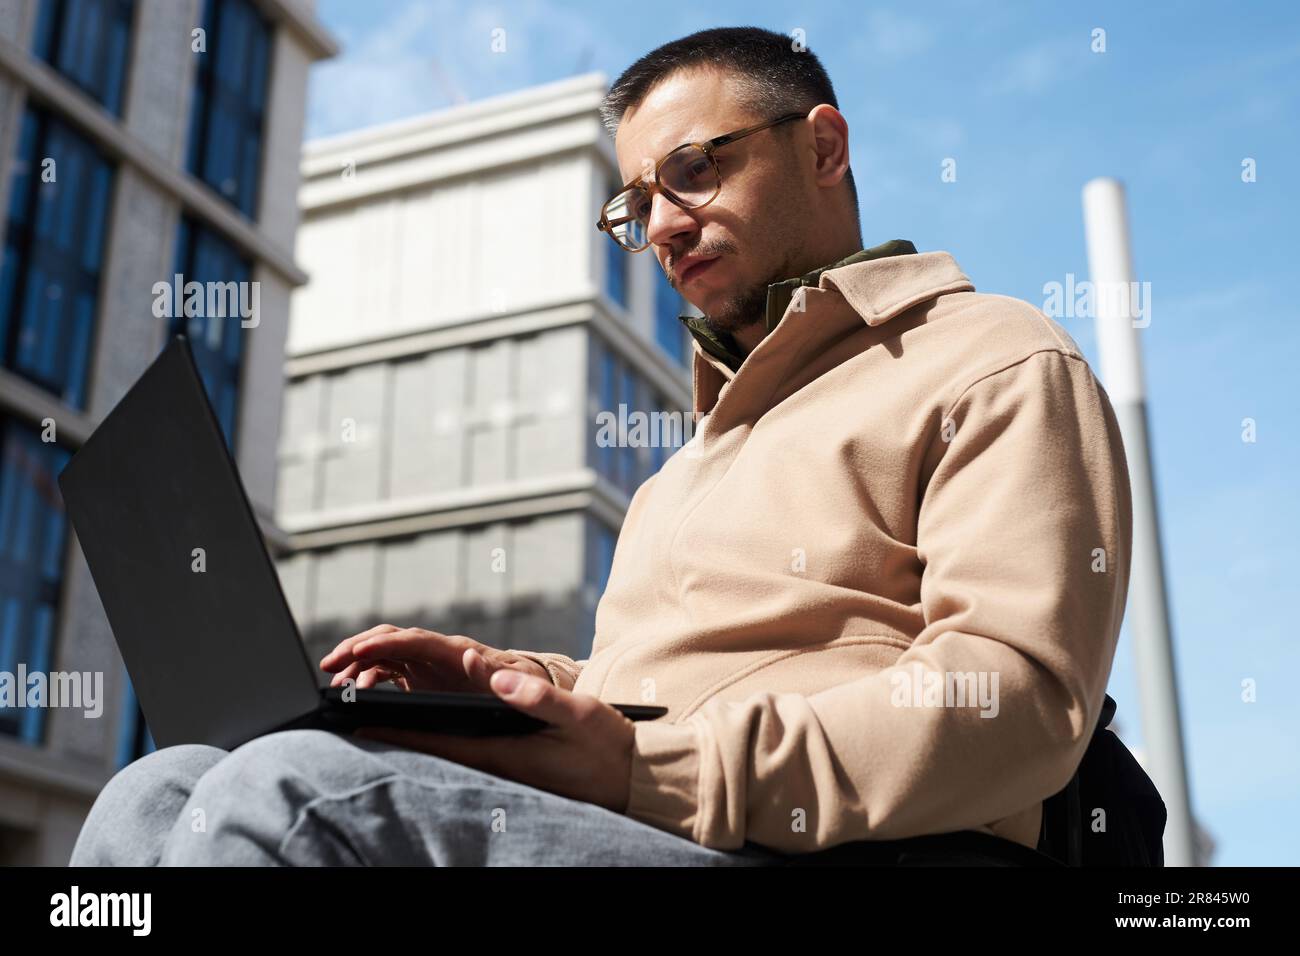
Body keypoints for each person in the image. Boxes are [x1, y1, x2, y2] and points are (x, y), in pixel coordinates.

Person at [70, 26, 1132, 867]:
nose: (661, 223)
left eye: (692, 170)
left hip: (849, 851)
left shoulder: (988, 356)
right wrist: (500, 684)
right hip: (657, 821)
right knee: (157, 788)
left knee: (286, 794)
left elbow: (1016, 699)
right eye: (634, 203)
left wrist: (649, 766)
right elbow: (647, 685)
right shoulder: (685, 467)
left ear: (822, 147)